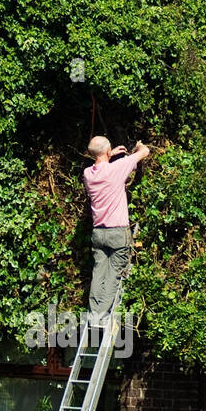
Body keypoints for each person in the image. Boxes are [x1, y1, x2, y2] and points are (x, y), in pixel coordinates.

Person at [83, 135, 150, 320]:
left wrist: (108, 154)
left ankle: (93, 312)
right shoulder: (117, 168)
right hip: (118, 233)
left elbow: (100, 163)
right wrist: (139, 146)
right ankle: (100, 316)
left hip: (98, 233)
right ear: (107, 151)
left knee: (99, 272)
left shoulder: (88, 174)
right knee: (114, 274)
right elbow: (145, 152)